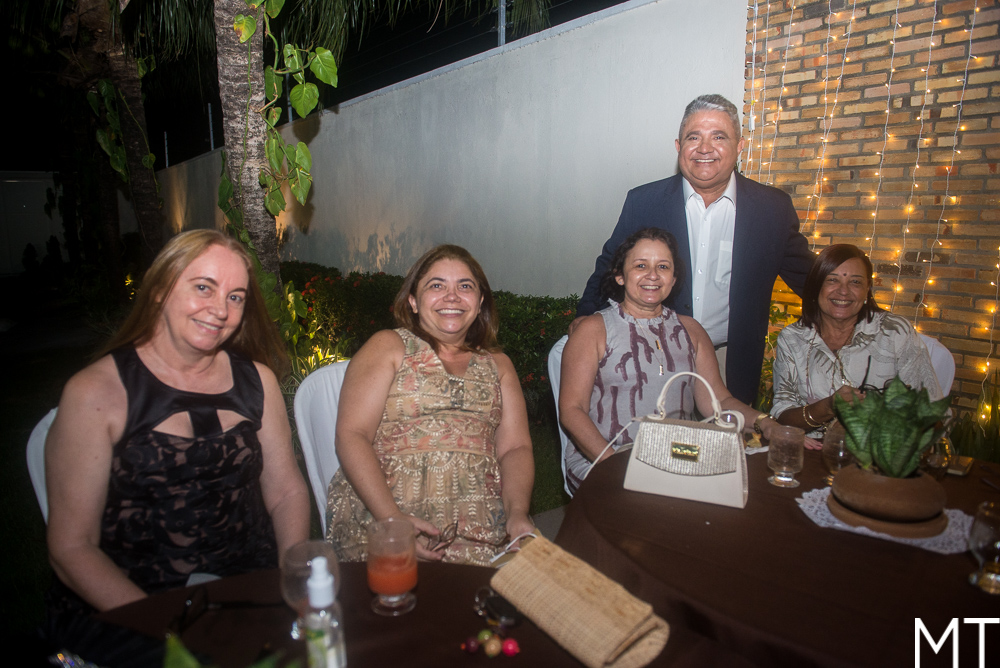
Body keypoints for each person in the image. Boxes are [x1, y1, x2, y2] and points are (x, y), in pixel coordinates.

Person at [46, 229, 310, 614]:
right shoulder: (95, 394)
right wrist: (165, 634)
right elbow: (71, 548)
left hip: (250, 589)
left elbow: (287, 492)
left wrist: (291, 576)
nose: (221, 309)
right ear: (159, 289)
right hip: (132, 604)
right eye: (204, 288)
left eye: (235, 297)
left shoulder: (258, 382)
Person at [575, 94, 815, 405]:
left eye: (719, 136)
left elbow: (810, 278)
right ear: (678, 147)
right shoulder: (644, 201)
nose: (704, 148)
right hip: (655, 352)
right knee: (653, 444)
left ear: (740, 146)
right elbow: (611, 265)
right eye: (694, 137)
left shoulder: (772, 209)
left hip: (730, 360)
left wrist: (864, 314)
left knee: (725, 446)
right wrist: (583, 319)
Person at [325, 244, 535, 566]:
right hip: (384, 514)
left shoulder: (499, 364)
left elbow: (515, 448)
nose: (452, 296)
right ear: (413, 301)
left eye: (465, 286)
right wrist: (392, 521)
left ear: (479, 303)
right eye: (436, 285)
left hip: (481, 523)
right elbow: (352, 435)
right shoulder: (389, 346)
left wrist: (517, 513)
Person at [560, 228, 780, 493]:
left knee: (740, 492)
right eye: (641, 265)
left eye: (663, 266)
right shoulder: (593, 329)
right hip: (605, 455)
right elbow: (572, 410)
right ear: (620, 275)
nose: (652, 275)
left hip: (677, 454)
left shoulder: (692, 330)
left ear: (674, 278)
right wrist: (614, 463)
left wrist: (764, 421)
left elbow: (719, 403)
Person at [770, 244, 942, 448]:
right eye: (832, 280)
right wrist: (826, 407)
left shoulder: (895, 332)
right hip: (814, 453)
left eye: (855, 282)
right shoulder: (793, 338)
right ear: (816, 287)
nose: (843, 291)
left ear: (867, 289)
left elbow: (932, 413)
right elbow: (783, 416)